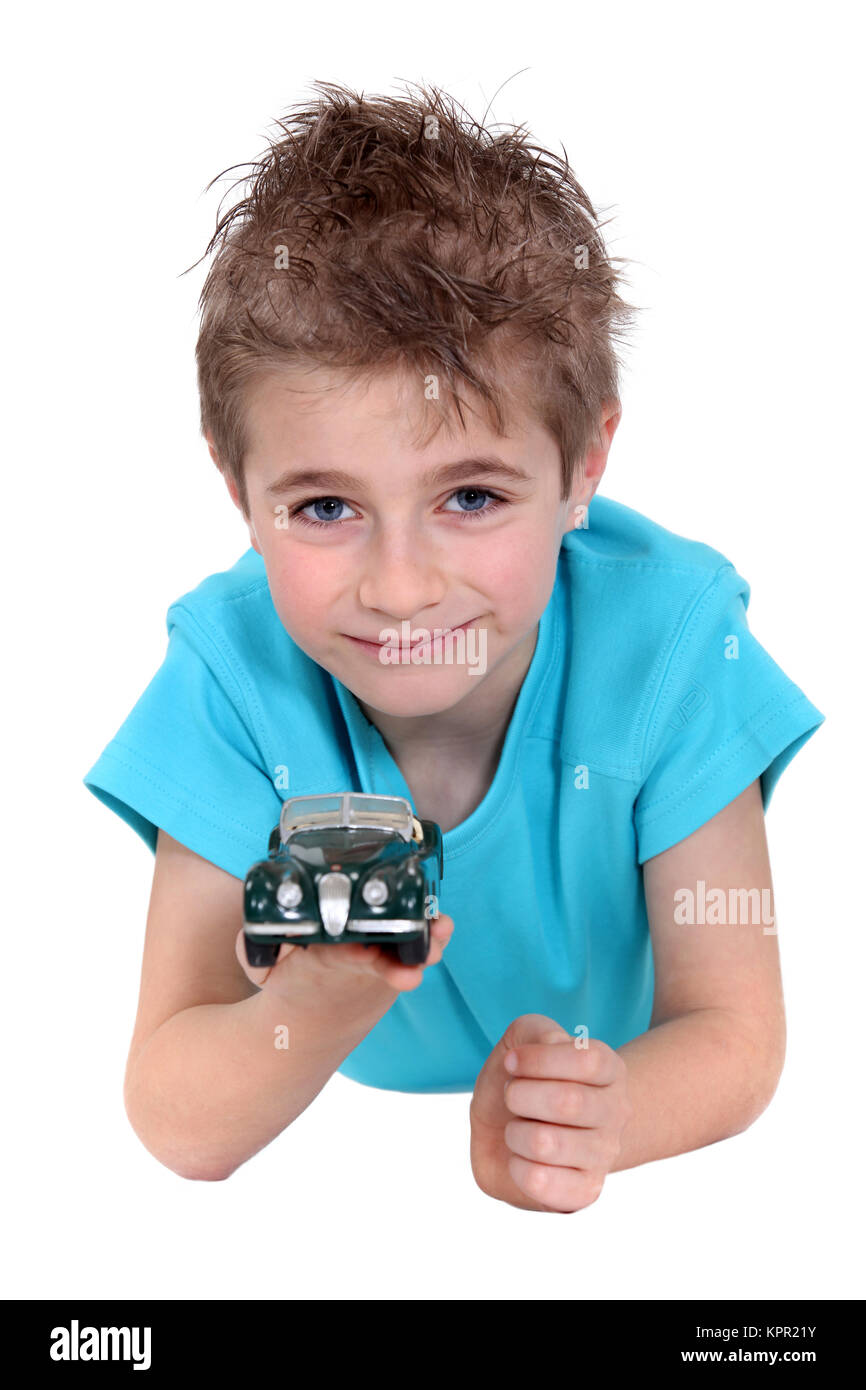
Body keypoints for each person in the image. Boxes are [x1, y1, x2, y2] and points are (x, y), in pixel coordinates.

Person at [83, 80, 824, 1211]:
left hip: (608, 1037)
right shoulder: (229, 672)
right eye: (324, 508)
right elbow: (177, 1119)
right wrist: (317, 1001)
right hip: (358, 1082)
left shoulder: (672, 641)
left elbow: (734, 1032)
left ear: (583, 466)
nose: (398, 587)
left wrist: (605, 1117)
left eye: (470, 495)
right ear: (237, 489)